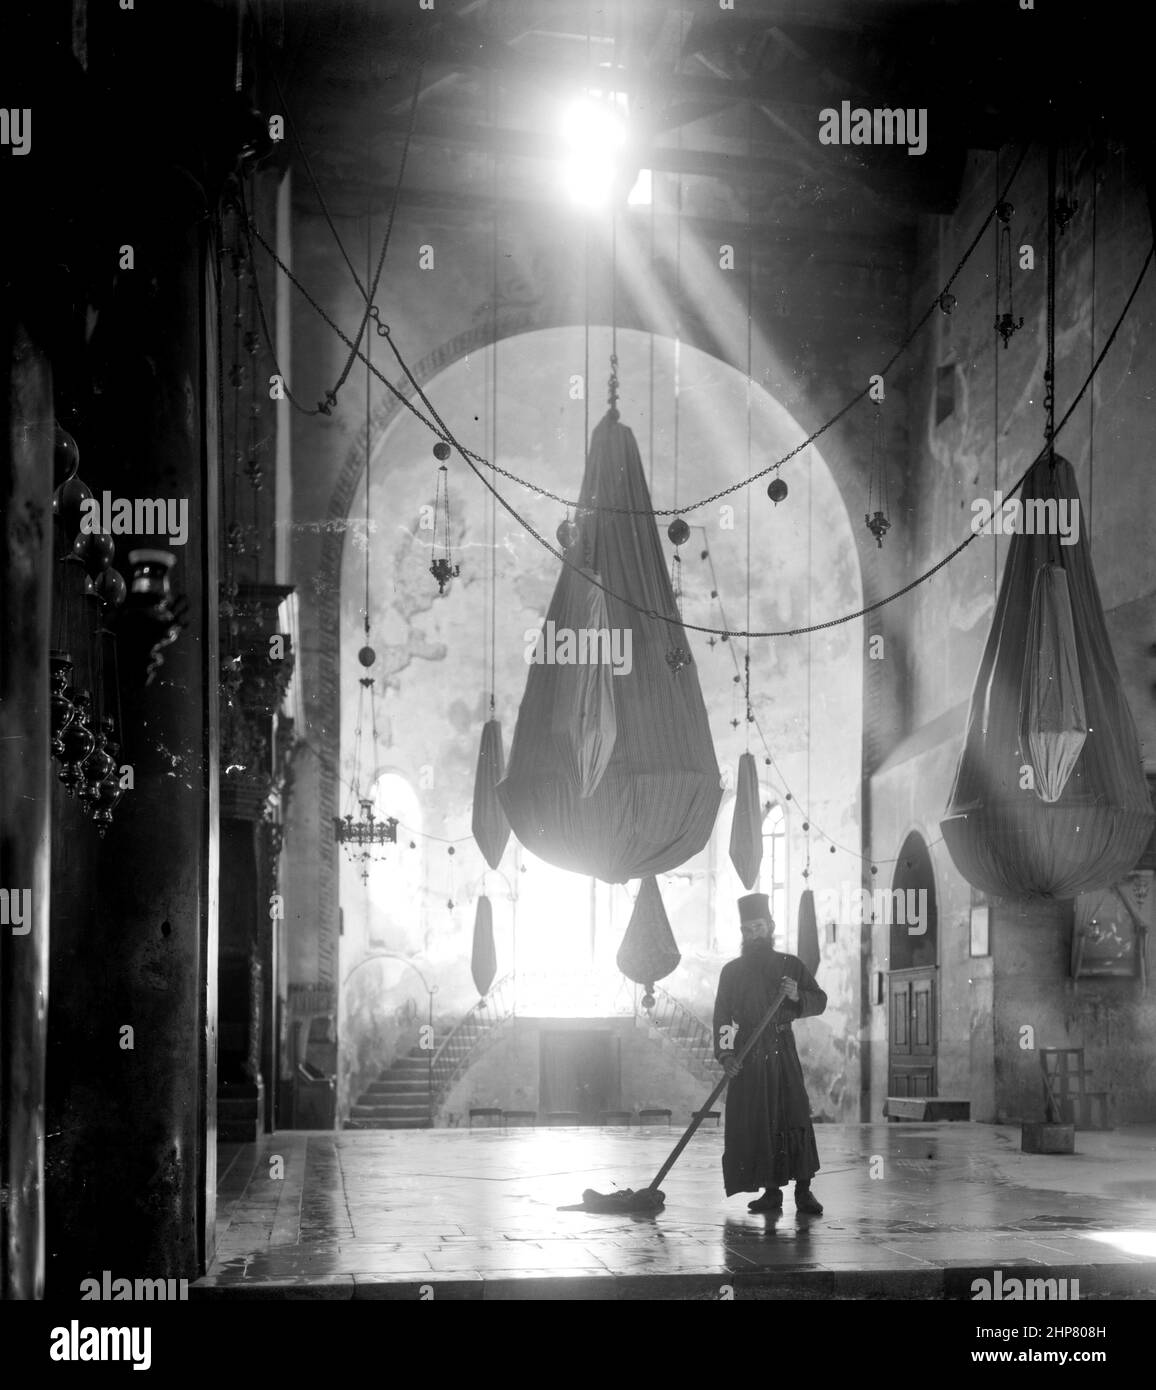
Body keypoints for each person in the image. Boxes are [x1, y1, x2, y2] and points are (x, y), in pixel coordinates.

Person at [712, 892, 827, 1214]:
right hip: (747, 1057)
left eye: (758, 927)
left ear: (770, 926)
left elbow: (819, 999)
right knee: (758, 1123)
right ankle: (771, 1192)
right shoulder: (731, 972)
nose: (753, 935)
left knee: (793, 1116)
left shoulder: (791, 965)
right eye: (747, 929)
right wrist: (726, 1055)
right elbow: (722, 1018)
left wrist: (796, 996)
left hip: (781, 1053)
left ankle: (804, 1191)